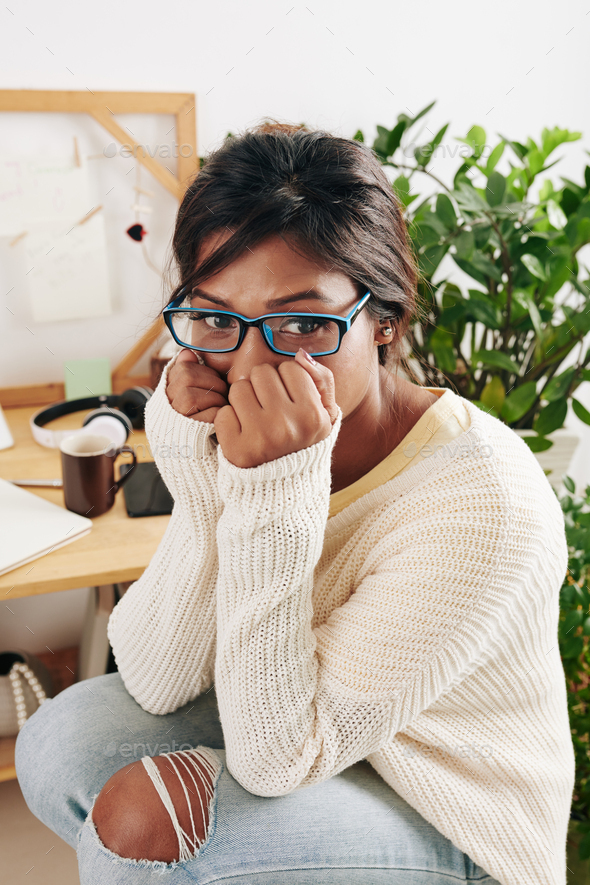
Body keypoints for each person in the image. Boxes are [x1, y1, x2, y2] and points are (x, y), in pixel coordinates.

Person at [16, 121, 575, 885]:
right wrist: (197, 467)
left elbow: (276, 759)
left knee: (149, 832)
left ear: (385, 320)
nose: (250, 365)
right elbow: (154, 674)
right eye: (216, 317)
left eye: (304, 323)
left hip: (452, 814)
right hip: (302, 720)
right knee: (59, 739)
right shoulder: (241, 429)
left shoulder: (482, 505)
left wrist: (274, 484)